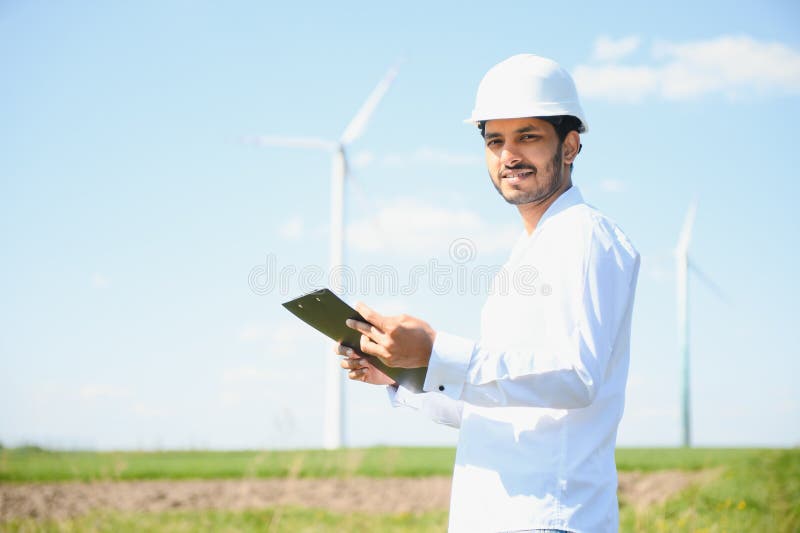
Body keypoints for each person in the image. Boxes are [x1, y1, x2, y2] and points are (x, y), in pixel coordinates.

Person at [337, 54, 640, 533]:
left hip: (548, 518)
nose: (509, 155)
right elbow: (493, 408)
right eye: (495, 140)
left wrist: (438, 350)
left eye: (528, 136)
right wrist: (402, 376)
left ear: (571, 145)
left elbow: (576, 376)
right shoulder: (526, 255)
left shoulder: (584, 235)